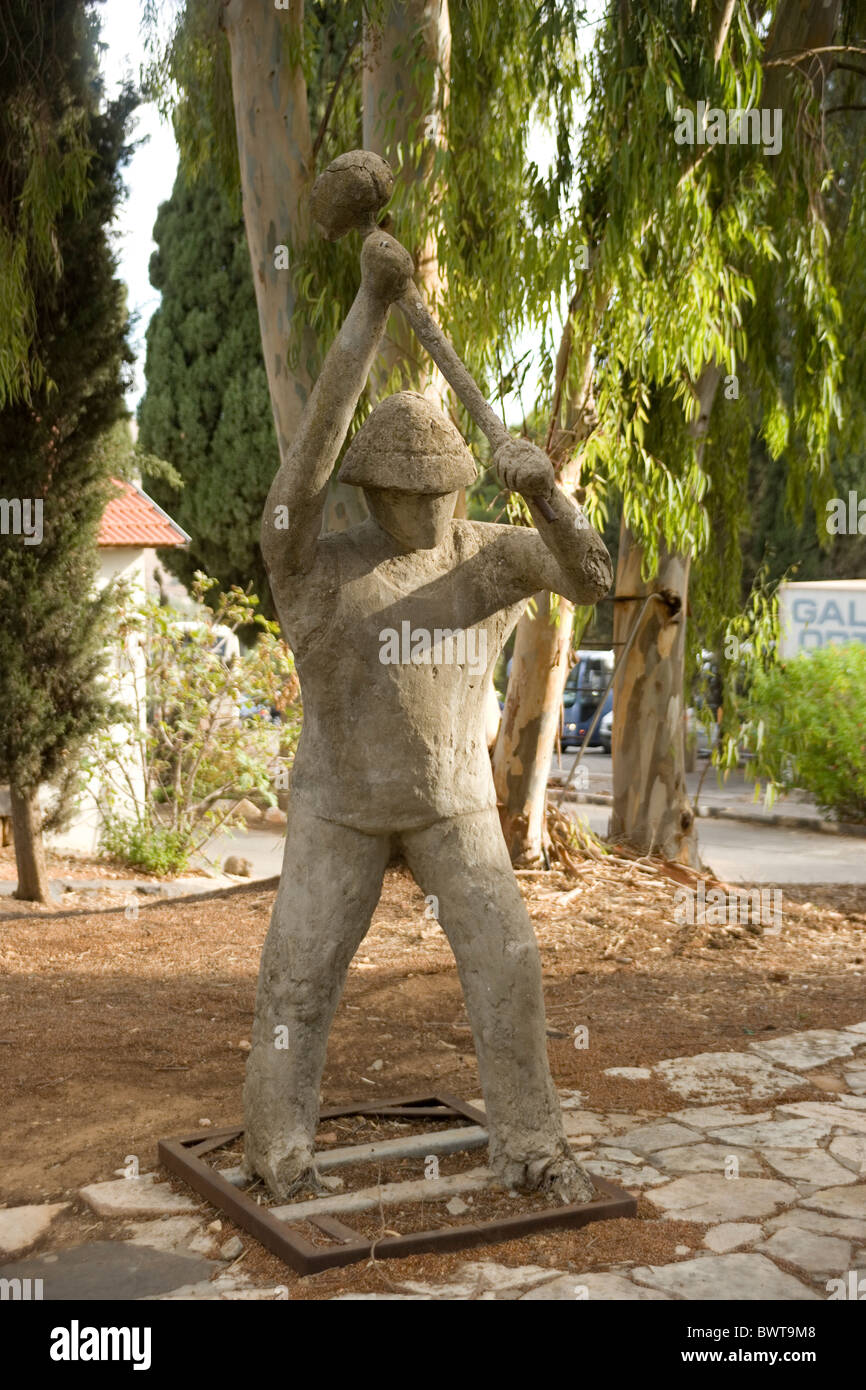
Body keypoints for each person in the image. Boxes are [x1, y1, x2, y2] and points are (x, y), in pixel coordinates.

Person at [243, 230, 612, 1204]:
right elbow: (296, 484)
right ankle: (276, 1146)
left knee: (507, 963)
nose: (416, 509)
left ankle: (531, 1141)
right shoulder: (315, 565)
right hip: (339, 805)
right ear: (368, 488)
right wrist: (366, 309)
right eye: (397, 495)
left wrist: (546, 498)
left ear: (456, 484)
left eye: (431, 494)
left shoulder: (489, 554)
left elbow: (591, 577)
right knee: (297, 979)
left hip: (451, 805)